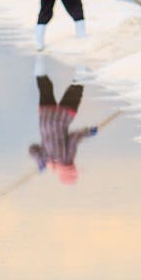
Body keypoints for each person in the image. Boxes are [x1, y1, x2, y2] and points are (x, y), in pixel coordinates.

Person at [28, 56, 97, 185]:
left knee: (76, 88)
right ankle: (39, 57)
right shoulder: (47, 160)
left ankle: (82, 61)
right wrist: (40, 161)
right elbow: (32, 149)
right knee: (45, 86)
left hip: (62, 118)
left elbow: (74, 138)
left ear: (71, 169)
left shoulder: (67, 158)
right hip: (45, 118)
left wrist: (88, 132)